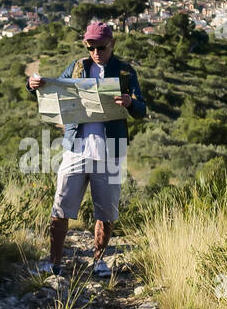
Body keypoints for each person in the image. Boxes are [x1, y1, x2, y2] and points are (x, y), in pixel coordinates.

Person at [25, 20, 147, 277]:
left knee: (106, 209)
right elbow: (55, 88)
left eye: (101, 47)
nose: (96, 52)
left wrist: (129, 102)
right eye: (90, 47)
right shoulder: (78, 67)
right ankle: (54, 262)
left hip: (110, 150)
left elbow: (142, 108)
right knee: (60, 206)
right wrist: (32, 85)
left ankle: (99, 261)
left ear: (112, 44)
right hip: (76, 147)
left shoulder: (125, 72)